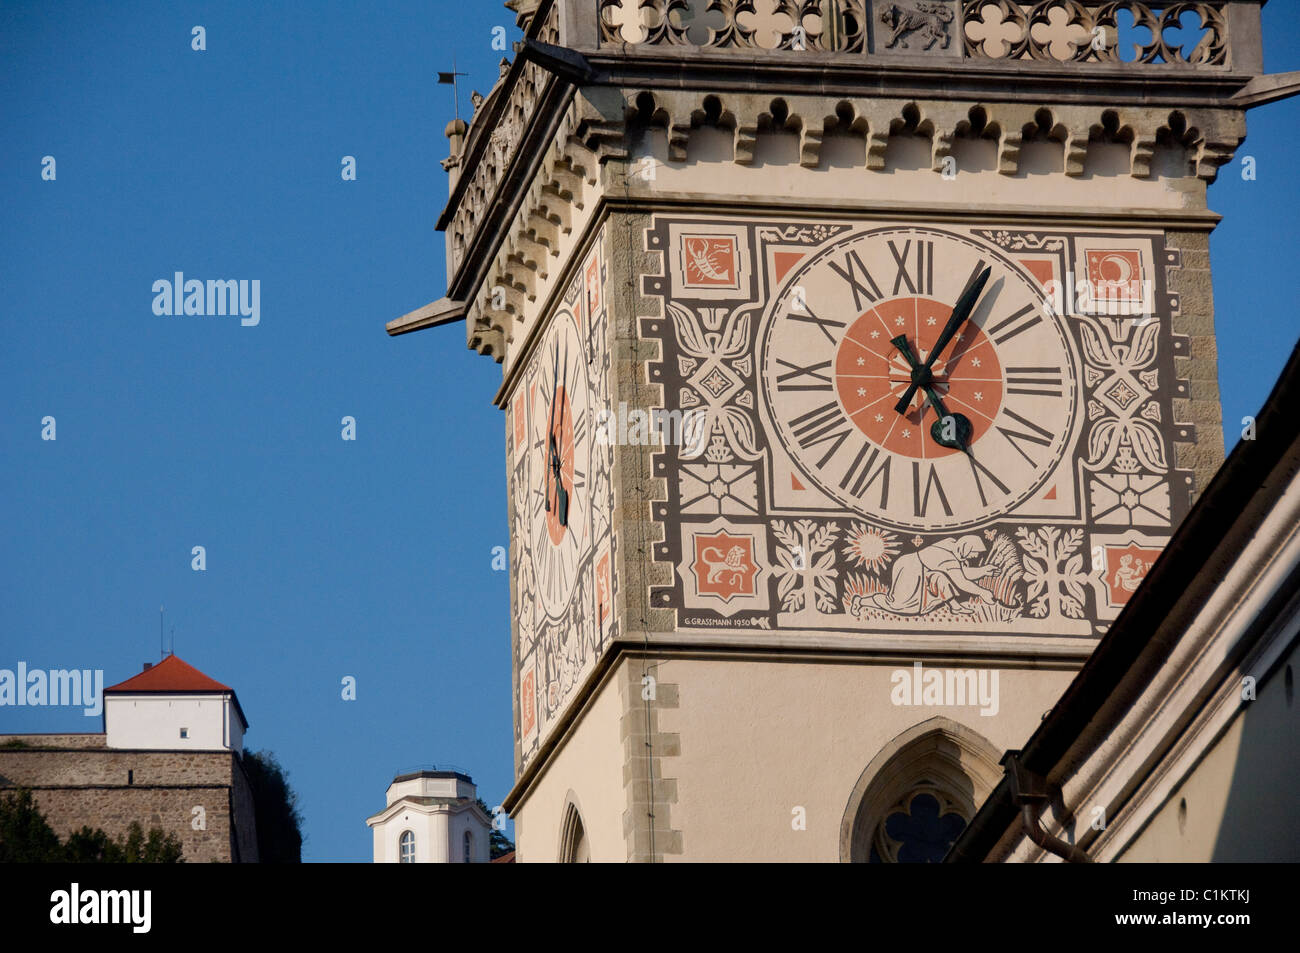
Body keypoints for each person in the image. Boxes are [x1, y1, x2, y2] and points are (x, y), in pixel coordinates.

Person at [867, 535, 994, 616]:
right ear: (966, 548)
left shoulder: (952, 545)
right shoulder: (948, 557)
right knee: (899, 605)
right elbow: (961, 581)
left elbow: (959, 573)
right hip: (910, 569)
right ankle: (861, 601)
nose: (976, 556)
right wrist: (983, 592)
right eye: (974, 552)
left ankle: (955, 607)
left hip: (919, 568)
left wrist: (983, 571)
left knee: (940, 578)